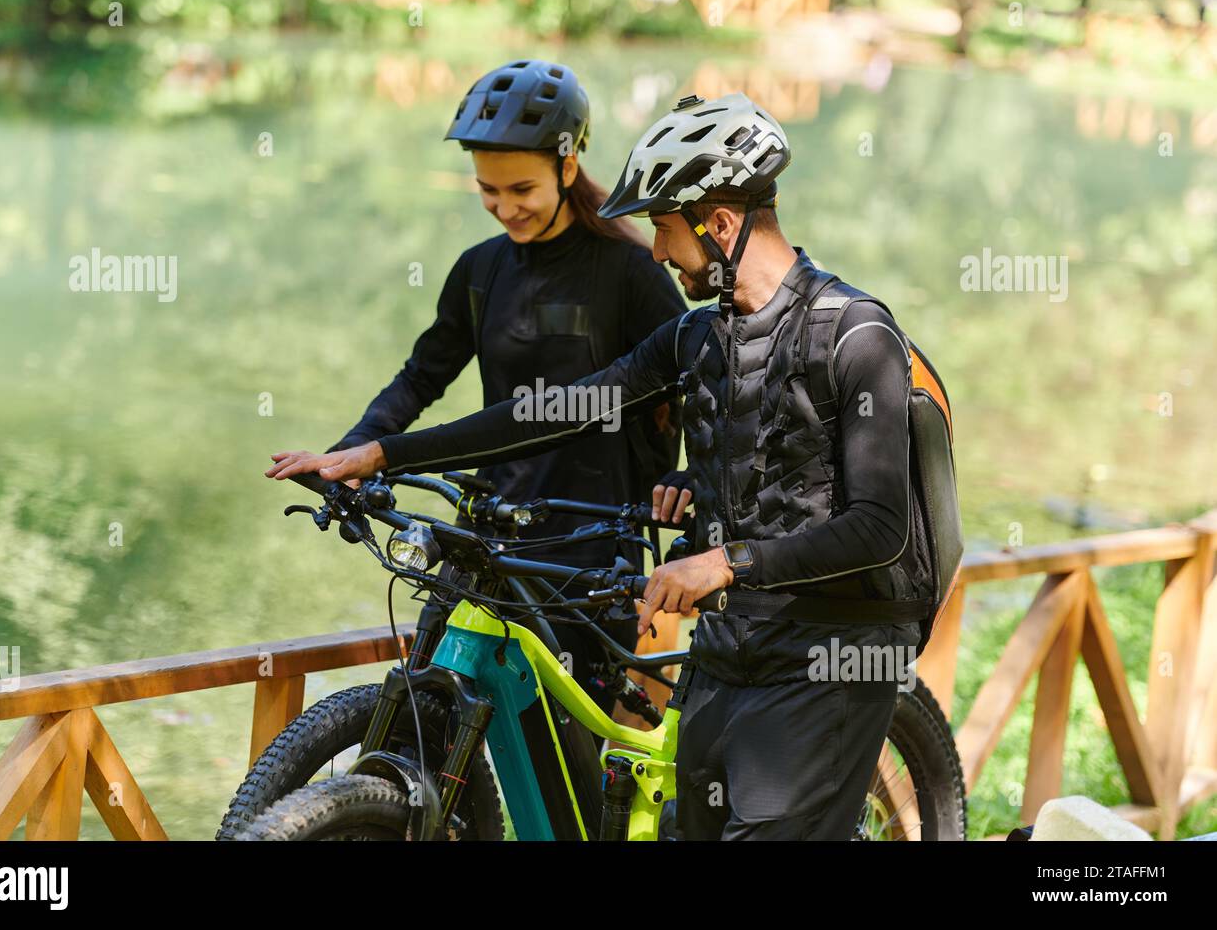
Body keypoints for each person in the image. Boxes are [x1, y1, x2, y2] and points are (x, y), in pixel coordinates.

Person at [271, 91, 937, 840]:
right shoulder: (698, 337)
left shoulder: (857, 335)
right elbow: (548, 412)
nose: (654, 250)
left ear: (719, 224)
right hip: (728, 654)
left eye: (662, 226)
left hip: (830, 656)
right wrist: (382, 452)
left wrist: (726, 562)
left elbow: (880, 530)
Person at [267, 60, 686, 715]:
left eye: (522, 188)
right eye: (488, 191)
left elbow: (692, 391)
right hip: (489, 526)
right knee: (424, 703)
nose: (504, 208)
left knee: (575, 739)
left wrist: (694, 484)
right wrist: (352, 452)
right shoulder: (481, 270)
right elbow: (422, 376)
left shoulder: (631, 270)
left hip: (590, 547)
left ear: (568, 167)